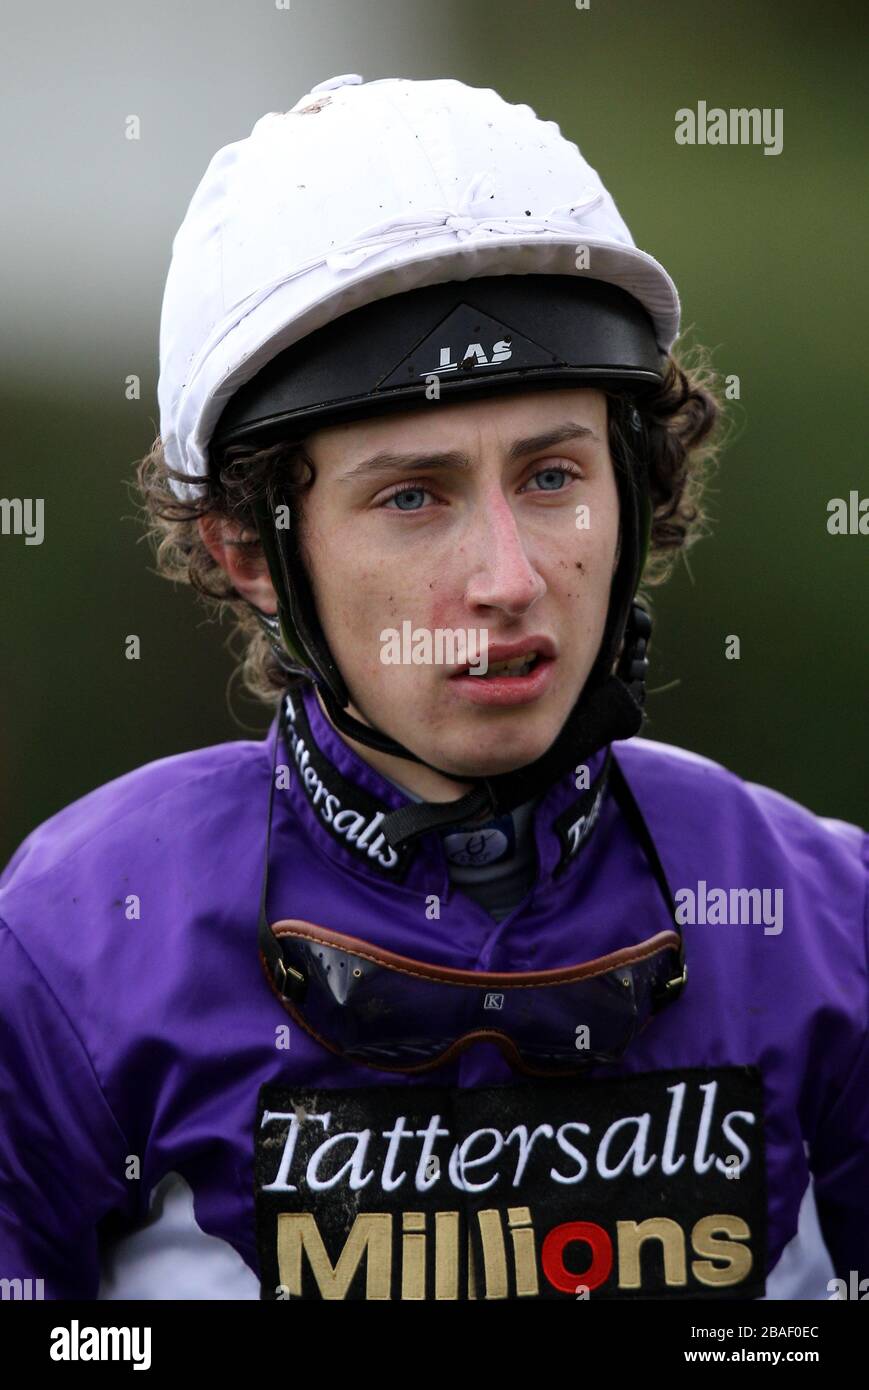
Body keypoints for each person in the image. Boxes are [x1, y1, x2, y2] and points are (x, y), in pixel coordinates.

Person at [0, 74, 865, 1303]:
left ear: (635, 488)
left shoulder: (823, 921)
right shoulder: (68, 943)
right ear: (248, 550)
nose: (508, 579)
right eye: (412, 496)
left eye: (552, 475)